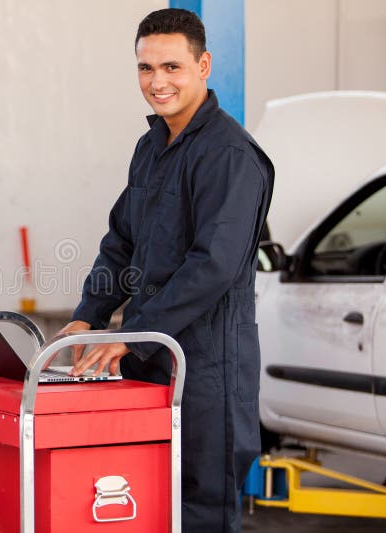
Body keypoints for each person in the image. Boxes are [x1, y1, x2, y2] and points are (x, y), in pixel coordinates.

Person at [57, 8, 274, 532]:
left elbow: (213, 266)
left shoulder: (229, 155)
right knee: (143, 501)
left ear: (203, 66)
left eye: (172, 67)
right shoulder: (151, 147)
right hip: (151, 359)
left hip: (207, 372)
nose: (157, 82)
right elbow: (121, 241)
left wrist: (131, 334)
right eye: (145, 68)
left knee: (198, 511)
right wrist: (89, 316)